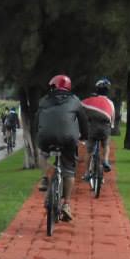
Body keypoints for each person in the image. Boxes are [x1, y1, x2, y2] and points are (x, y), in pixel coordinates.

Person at [35, 74, 89, 222]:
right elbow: (83, 121)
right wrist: (84, 137)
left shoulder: (44, 100)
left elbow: (36, 120)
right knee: (69, 170)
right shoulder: (75, 100)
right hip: (68, 140)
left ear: (53, 86)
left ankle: (46, 177)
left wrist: (38, 134)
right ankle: (66, 204)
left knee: (43, 154)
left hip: (45, 137)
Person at [81, 78, 116, 180]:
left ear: (97, 90)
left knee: (89, 151)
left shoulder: (90, 100)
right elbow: (112, 119)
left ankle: (87, 173)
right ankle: (105, 160)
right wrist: (111, 127)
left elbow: (81, 108)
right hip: (105, 128)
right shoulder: (110, 103)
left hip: (92, 129)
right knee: (106, 145)